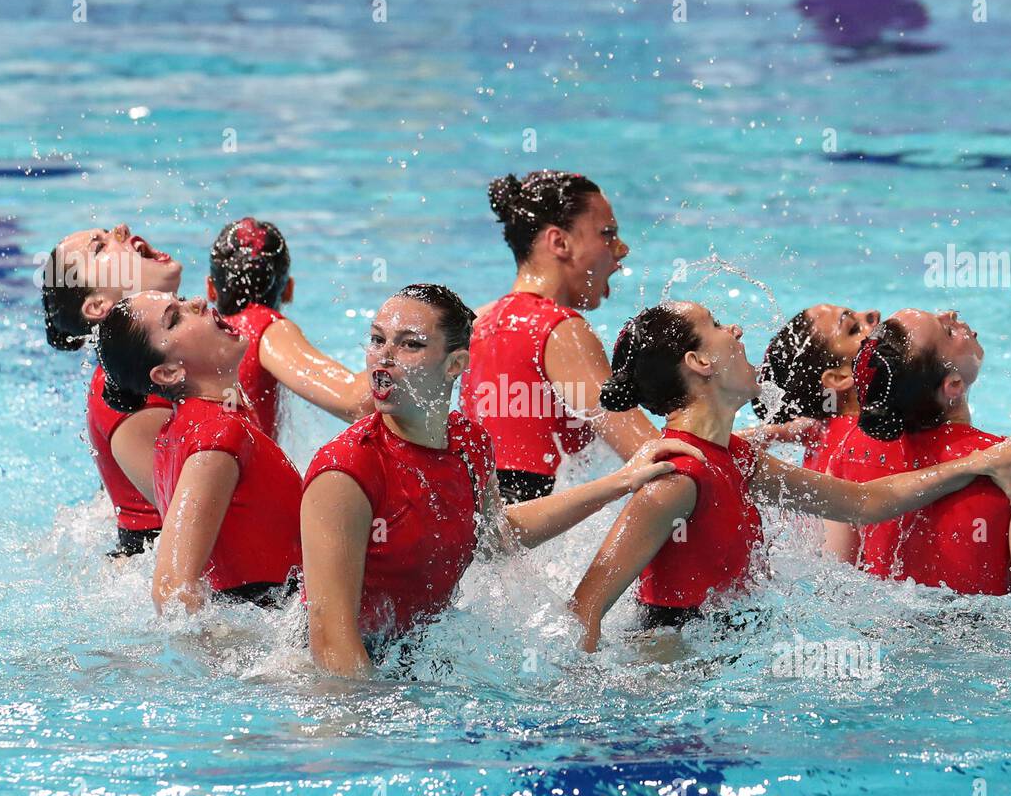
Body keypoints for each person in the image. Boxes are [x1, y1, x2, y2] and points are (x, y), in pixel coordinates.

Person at [567, 302, 1011, 651]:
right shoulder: (676, 478)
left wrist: (977, 463)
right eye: (716, 325)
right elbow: (584, 609)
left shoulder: (738, 458)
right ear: (700, 363)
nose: (735, 329)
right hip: (674, 669)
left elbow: (864, 503)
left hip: (730, 648)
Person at [301, 284, 702, 677]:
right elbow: (331, 644)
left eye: (410, 344)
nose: (383, 358)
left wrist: (620, 481)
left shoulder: (468, 442)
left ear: (455, 365)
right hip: (348, 673)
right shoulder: (346, 471)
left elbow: (496, 536)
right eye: (376, 339)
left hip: (412, 657)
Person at [824, 309, 1011, 595]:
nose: (950, 314)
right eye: (947, 331)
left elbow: (834, 586)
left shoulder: (848, 455)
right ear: (954, 385)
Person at [96, 292, 303, 612]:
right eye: (175, 319)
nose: (197, 302)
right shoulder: (216, 437)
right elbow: (172, 589)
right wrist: (231, 657)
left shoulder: (175, 433)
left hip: (271, 612)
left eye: (180, 299)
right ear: (167, 373)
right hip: (284, 623)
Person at [460, 170, 658, 503]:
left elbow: (360, 399)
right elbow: (651, 457)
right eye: (608, 234)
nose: (621, 250)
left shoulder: (472, 323)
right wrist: (747, 447)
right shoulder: (560, 330)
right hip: (536, 546)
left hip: (478, 533)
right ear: (560, 243)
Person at [40, 224, 182, 554]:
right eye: (99, 247)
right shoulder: (128, 396)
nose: (121, 229)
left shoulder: (165, 359)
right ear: (98, 305)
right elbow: (192, 518)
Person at [206, 217, 370, 439]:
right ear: (288, 290)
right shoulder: (264, 330)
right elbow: (357, 402)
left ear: (211, 289)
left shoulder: (187, 337)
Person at [752, 303, 881, 555]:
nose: (873, 313)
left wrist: (775, 432)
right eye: (854, 328)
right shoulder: (866, 443)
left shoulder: (823, 430)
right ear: (840, 378)